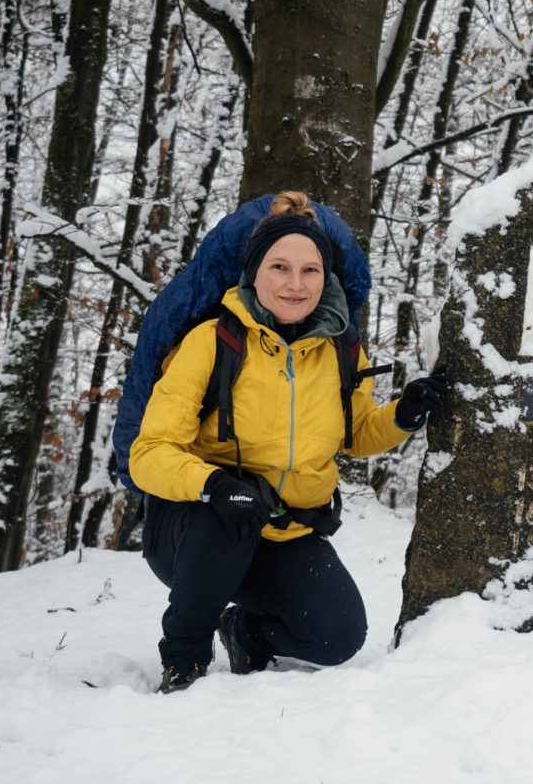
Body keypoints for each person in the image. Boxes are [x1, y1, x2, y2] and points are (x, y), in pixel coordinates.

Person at [129, 191, 448, 693]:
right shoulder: (212, 341)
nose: (296, 284)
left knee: (338, 636)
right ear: (254, 271)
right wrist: (212, 484)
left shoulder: (341, 347)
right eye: (280, 266)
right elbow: (147, 454)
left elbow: (356, 435)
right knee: (225, 516)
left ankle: (246, 632)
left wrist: (404, 415)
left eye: (310, 270)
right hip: (197, 530)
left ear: (326, 278)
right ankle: (184, 657)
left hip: (284, 530)